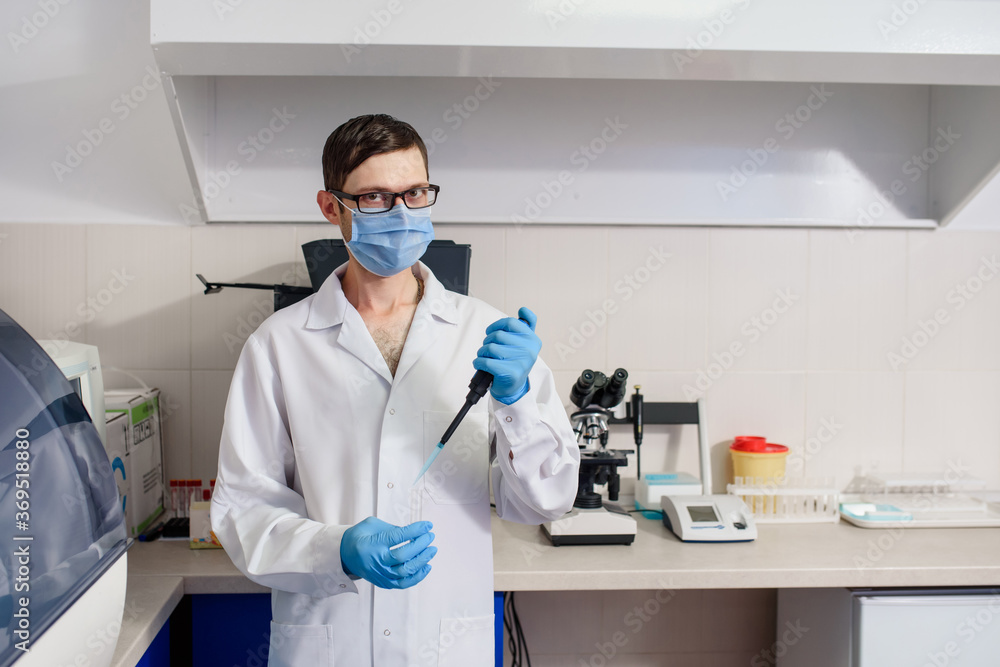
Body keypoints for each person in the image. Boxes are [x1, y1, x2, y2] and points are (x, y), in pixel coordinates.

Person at [211, 114, 580, 667]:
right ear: (331, 207)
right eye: (377, 198)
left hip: (446, 644)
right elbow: (242, 512)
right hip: (330, 646)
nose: (402, 213)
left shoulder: (485, 336)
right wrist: (337, 549)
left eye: (416, 193)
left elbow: (544, 503)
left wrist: (520, 400)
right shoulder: (278, 346)